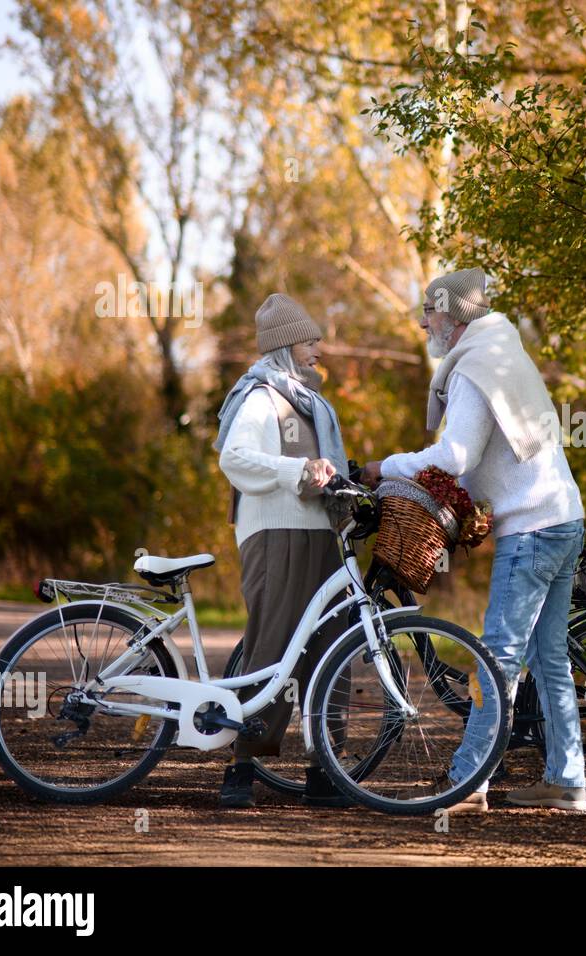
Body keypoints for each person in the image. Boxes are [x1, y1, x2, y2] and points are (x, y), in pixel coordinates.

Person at [362, 267, 586, 812]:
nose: (422, 323)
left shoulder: (474, 370)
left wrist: (383, 466)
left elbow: (455, 455)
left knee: (497, 660)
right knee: (550, 659)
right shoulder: (505, 354)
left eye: (429, 313)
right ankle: (566, 780)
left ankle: (468, 783)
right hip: (564, 517)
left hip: (532, 529)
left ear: (453, 316)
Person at [213, 292, 352, 809]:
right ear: (287, 344)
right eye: (310, 339)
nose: (319, 347)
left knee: (329, 651)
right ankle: (241, 768)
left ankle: (324, 768)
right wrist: (298, 471)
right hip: (277, 534)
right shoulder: (261, 396)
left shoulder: (309, 402)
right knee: (272, 648)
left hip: (319, 533)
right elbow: (237, 458)